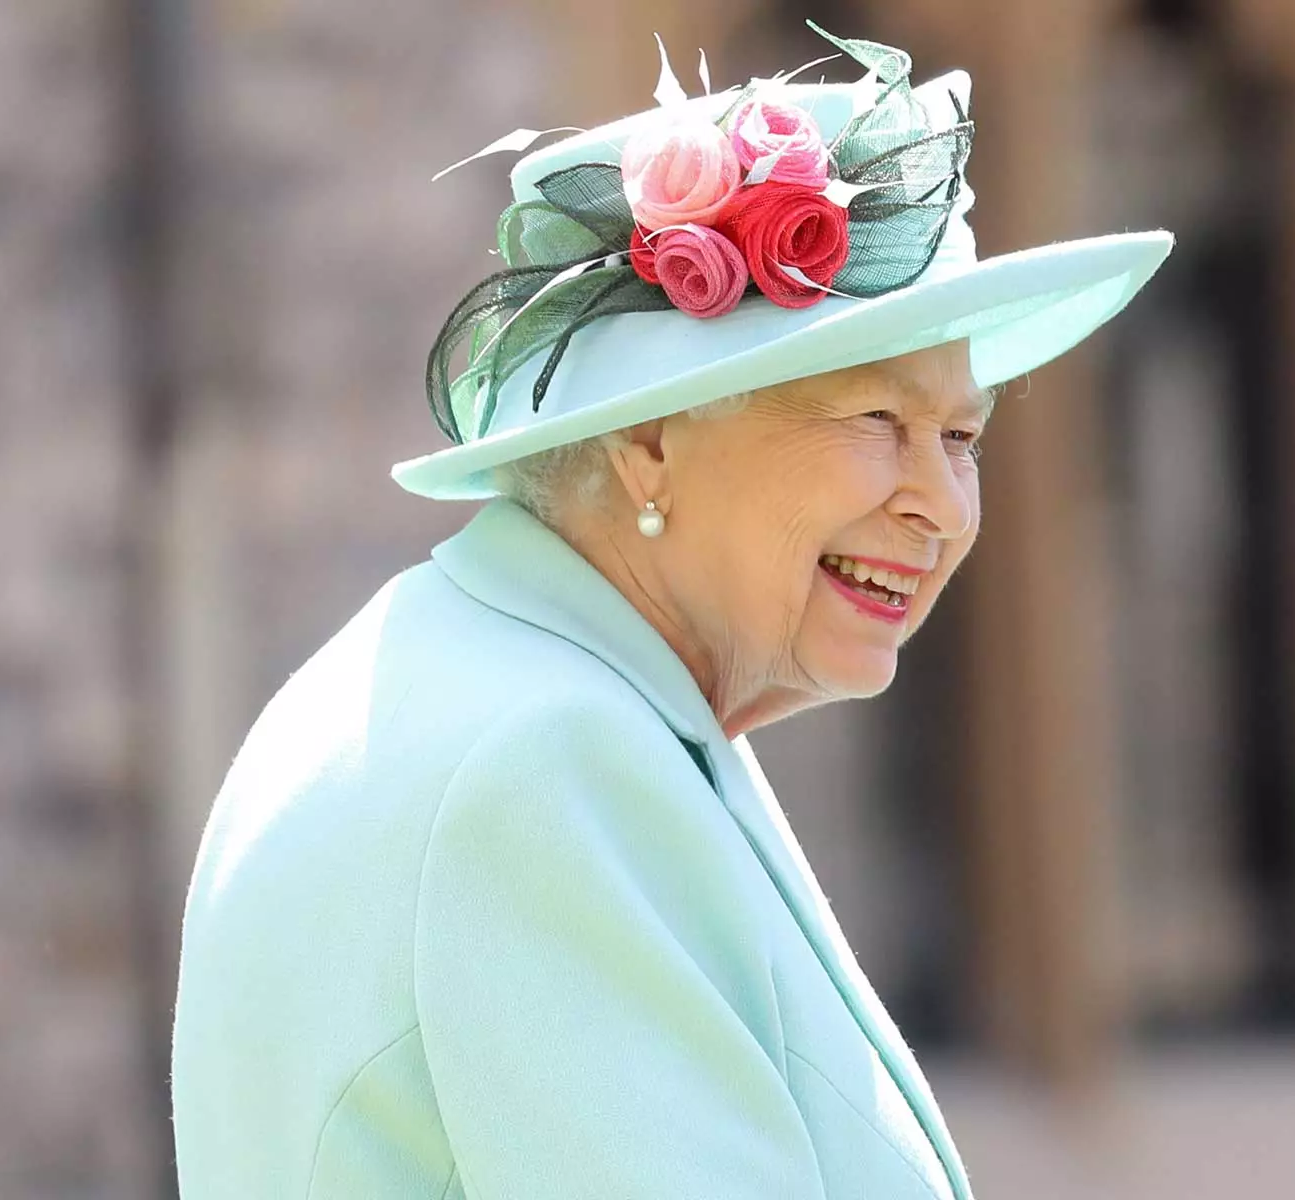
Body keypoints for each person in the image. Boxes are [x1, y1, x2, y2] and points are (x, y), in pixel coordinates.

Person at [169, 24, 1171, 1199]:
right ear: (649, 443)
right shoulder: (550, 764)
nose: (942, 508)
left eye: (961, 439)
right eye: (876, 425)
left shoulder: (511, 682)